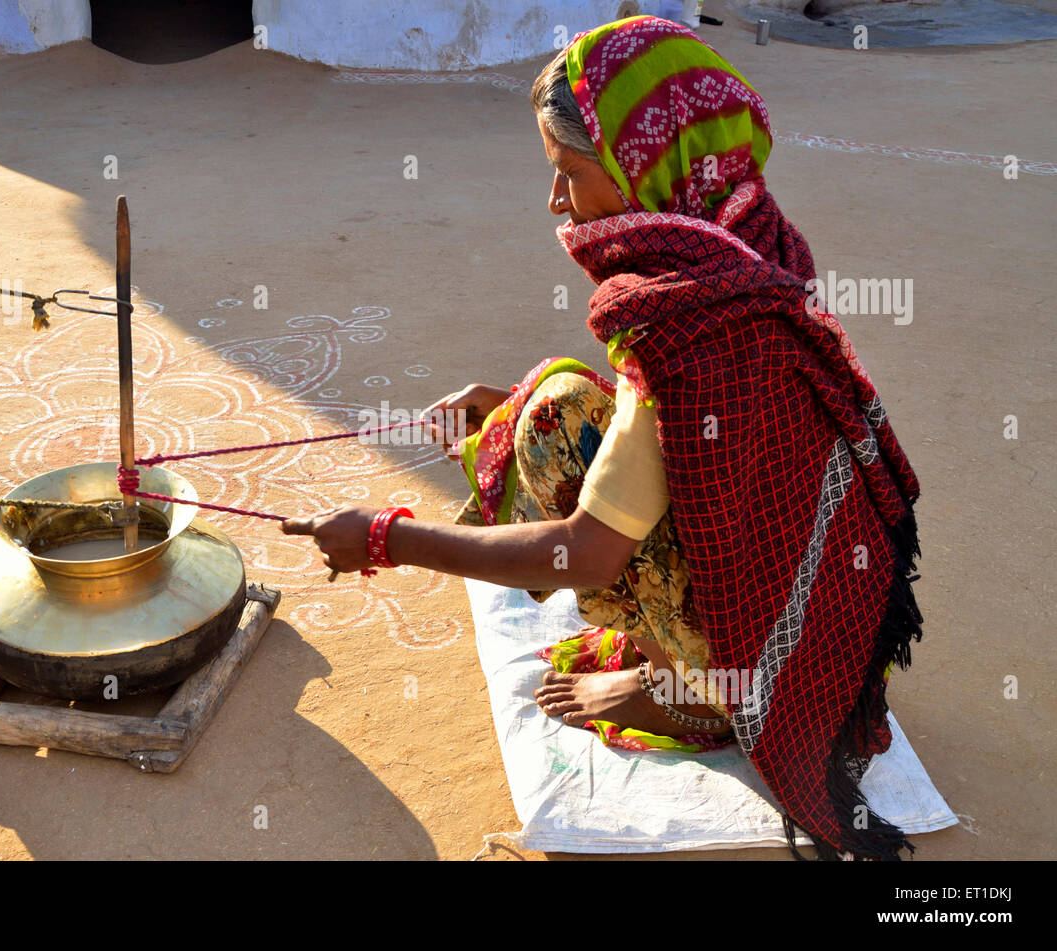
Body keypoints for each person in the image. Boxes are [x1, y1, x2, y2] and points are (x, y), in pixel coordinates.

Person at [283, 15, 922, 860]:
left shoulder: (680, 333)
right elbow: (673, 423)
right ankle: (706, 651)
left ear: (644, 171)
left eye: (571, 174)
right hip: (830, 590)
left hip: (767, 630)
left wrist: (384, 537)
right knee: (548, 396)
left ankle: (692, 691)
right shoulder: (752, 239)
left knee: (549, 426)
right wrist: (509, 403)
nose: (557, 202)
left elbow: (583, 553)